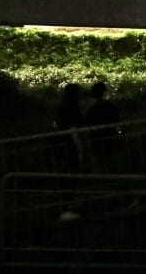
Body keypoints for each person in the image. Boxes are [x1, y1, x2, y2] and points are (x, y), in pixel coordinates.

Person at [54, 83, 83, 221]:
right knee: (71, 175)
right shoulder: (72, 108)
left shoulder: (61, 108)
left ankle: (67, 206)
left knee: (67, 176)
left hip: (62, 146)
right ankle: (67, 208)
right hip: (70, 146)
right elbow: (75, 127)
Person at [84, 81, 121, 172]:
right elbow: (117, 121)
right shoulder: (111, 107)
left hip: (96, 141)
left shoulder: (91, 110)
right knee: (111, 164)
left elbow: (87, 124)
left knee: (99, 166)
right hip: (110, 139)